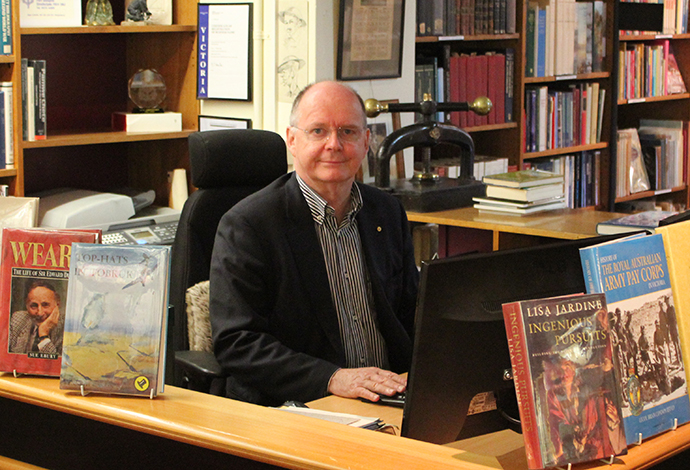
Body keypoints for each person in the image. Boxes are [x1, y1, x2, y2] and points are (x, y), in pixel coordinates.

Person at [209, 81, 419, 406]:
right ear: (292, 140)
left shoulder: (386, 212)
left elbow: (412, 313)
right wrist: (333, 378)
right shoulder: (249, 225)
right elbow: (237, 342)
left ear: (366, 141)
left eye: (348, 132)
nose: (334, 144)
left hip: (390, 396)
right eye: (318, 131)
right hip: (300, 405)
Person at [9, 280, 64, 355]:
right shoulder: (18, 318)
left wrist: (43, 335)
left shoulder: (65, 327)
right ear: (26, 305)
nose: (40, 313)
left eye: (45, 305)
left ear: (57, 303)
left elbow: (57, 361)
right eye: (34, 306)